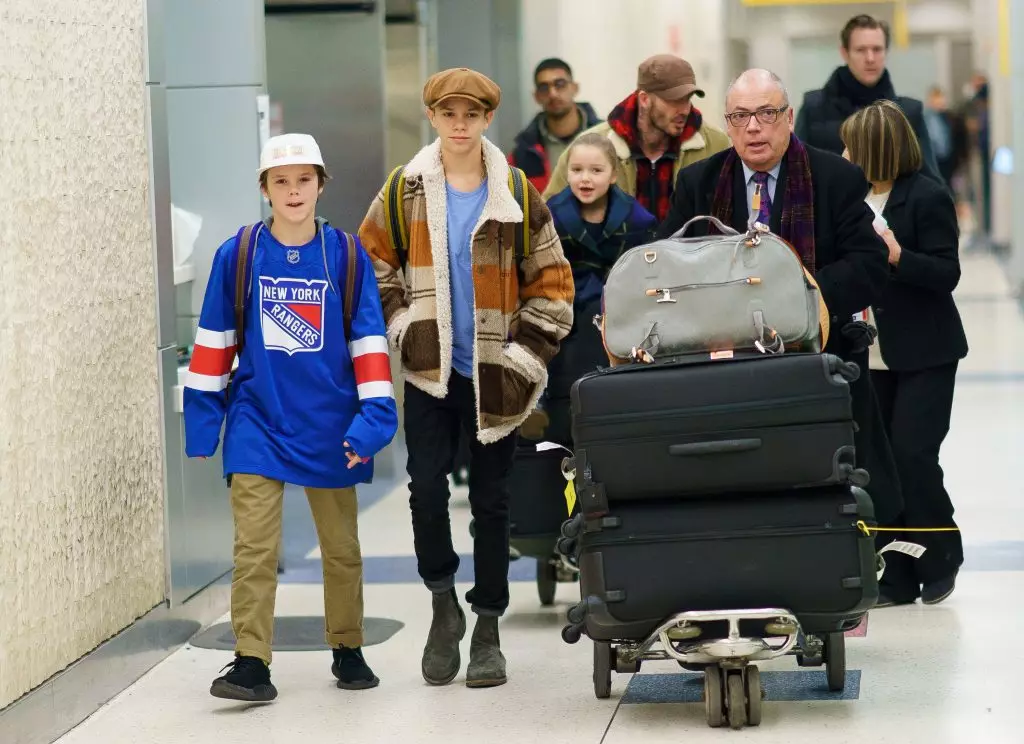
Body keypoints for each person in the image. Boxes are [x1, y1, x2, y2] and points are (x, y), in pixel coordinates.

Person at [358, 68, 574, 688]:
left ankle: (487, 626)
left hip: (495, 374)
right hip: (430, 372)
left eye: (471, 113)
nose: (460, 123)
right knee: (425, 489)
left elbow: (553, 285)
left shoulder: (515, 191)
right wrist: (402, 326)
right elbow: (373, 263)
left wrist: (523, 358)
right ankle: (441, 604)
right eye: (449, 113)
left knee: (491, 502)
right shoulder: (404, 190)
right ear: (432, 117)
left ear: (485, 120)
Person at [183, 133, 399, 701]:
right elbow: (213, 340)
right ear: (264, 189)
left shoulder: (347, 255)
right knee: (254, 548)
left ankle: (348, 648)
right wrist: (205, 422)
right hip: (257, 419)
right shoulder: (240, 254)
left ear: (321, 185)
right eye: (281, 181)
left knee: (341, 548)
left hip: (332, 422)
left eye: (304, 179)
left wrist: (373, 421)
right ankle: (251, 661)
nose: (293, 190)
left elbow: (369, 345)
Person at [658, 69, 902, 526]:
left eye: (767, 114)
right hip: (722, 352)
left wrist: (794, 293)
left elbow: (868, 266)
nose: (754, 127)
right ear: (727, 125)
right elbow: (669, 266)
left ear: (789, 118)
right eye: (741, 116)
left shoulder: (837, 178)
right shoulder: (699, 184)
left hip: (817, 346)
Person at [840, 101, 968, 607]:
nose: (843, 154)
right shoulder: (848, 200)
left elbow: (946, 274)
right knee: (880, 463)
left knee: (915, 457)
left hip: (925, 352)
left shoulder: (927, 197)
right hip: (869, 354)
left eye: (852, 145)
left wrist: (898, 256)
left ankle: (940, 556)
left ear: (875, 148)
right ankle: (893, 571)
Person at [540, 133, 657, 442]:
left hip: (618, 312)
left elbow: (644, 275)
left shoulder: (637, 220)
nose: (586, 178)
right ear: (566, 173)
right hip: (563, 308)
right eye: (577, 170)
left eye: (596, 170)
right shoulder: (549, 216)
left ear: (614, 174)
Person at [543, 54, 730, 222]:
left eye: (688, 99)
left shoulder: (715, 145)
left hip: (691, 258)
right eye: (674, 100)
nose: (684, 110)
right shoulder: (591, 146)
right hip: (616, 260)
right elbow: (545, 217)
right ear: (644, 99)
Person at [794, 14, 942, 183]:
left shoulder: (909, 113)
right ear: (844, 52)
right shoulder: (814, 108)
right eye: (861, 50)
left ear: (886, 52)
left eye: (877, 49)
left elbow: (931, 184)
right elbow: (797, 175)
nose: (870, 58)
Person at [508, 58, 602, 193]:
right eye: (544, 88)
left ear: (574, 88)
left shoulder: (606, 138)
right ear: (536, 96)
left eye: (560, 84)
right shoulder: (522, 154)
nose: (552, 94)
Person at [923, 85, 968, 189]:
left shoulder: (948, 117)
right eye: (937, 99)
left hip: (948, 161)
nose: (940, 102)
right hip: (936, 160)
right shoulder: (928, 118)